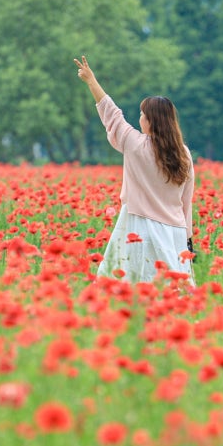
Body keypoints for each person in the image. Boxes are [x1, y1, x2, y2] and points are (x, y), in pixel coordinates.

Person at [74, 55, 195, 285]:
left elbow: (111, 114)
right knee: (175, 293)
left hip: (139, 227)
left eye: (142, 115)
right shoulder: (184, 155)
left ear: (151, 121)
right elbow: (186, 201)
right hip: (175, 232)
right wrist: (188, 238)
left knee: (133, 286)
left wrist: (92, 81)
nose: (139, 119)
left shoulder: (135, 145)